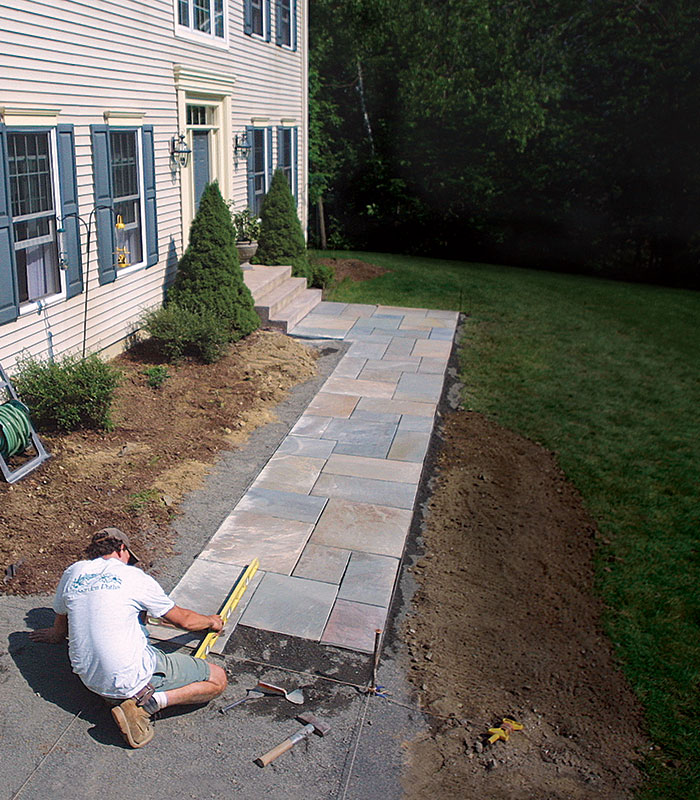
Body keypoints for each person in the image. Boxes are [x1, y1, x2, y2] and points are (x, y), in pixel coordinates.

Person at [30, 527, 227, 748]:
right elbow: (185, 621)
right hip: (129, 679)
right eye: (128, 556)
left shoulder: (74, 571)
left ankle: (120, 697)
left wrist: (55, 635)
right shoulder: (133, 576)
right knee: (217, 679)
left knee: (136, 612)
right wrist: (211, 621)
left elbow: (62, 615)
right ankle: (147, 704)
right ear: (122, 548)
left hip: (88, 678)